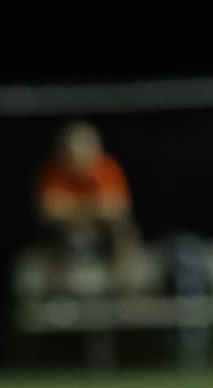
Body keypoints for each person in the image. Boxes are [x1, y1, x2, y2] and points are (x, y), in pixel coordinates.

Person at [33, 120, 141, 293]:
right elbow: (48, 209)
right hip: (65, 231)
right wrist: (93, 206)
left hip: (100, 231)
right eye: (71, 151)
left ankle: (124, 285)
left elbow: (117, 207)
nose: (79, 157)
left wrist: (73, 206)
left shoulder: (107, 167)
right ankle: (56, 290)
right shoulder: (54, 171)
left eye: (85, 149)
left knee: (121, 229)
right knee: (48, 231)